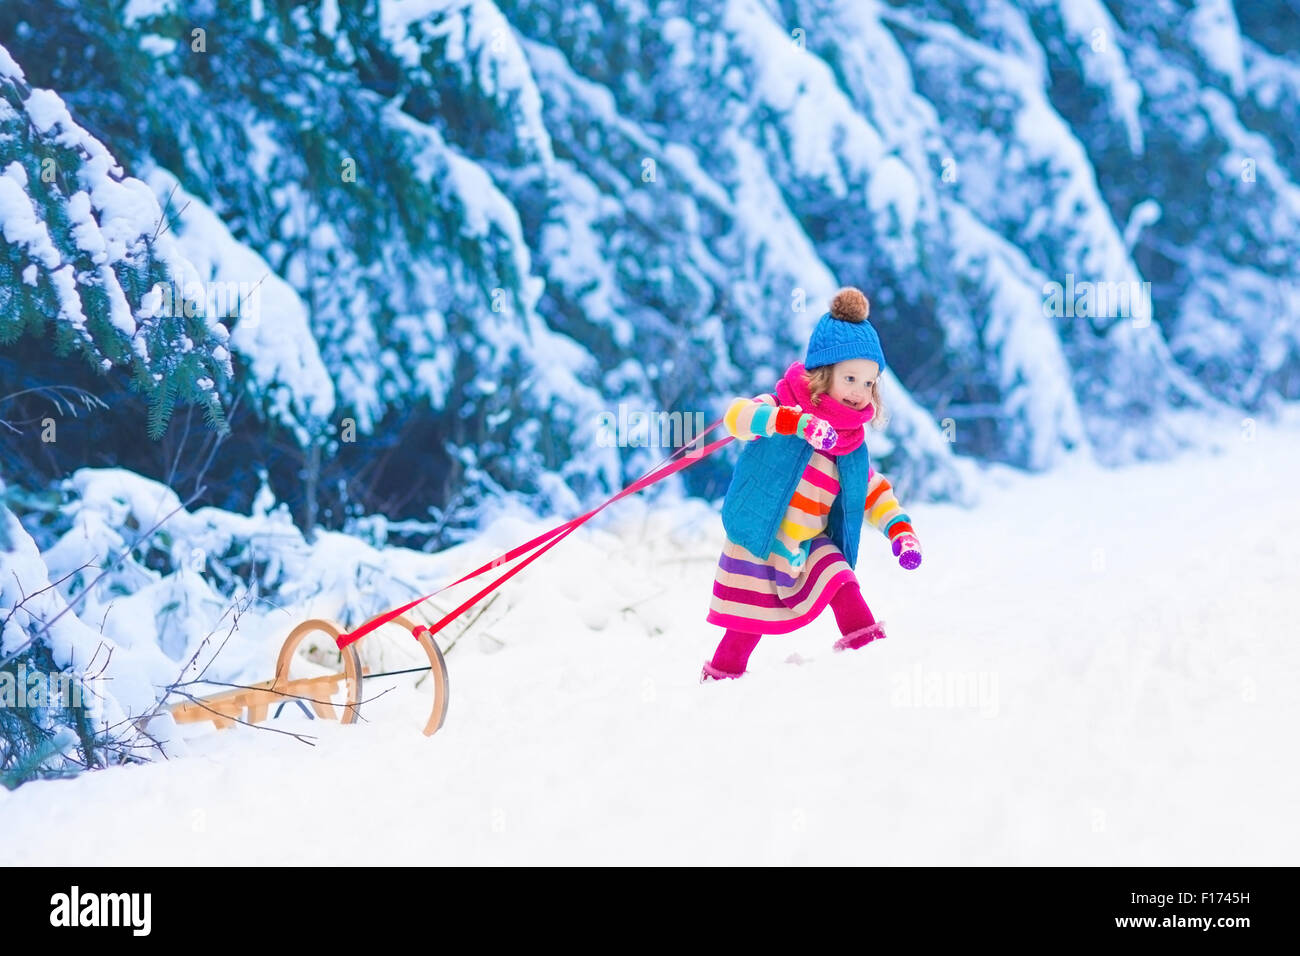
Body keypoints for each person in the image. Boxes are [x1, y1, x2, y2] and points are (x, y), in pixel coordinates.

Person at [702, 286, 922, 681]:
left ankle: (869, 657)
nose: (859, 392)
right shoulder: (783, 403)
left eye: (869, 383)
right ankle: (719, 680)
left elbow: (870, 491)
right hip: (764, 535)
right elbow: (737, 417)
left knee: (840, 578)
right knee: (747, 623)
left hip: (807, 543)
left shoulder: (850, 444)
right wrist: (793, 422)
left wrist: (899, 531)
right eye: (850, 378)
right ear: (823, 374)